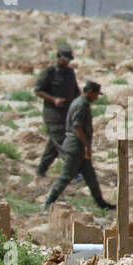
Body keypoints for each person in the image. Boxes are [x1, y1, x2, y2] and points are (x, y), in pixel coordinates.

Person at [42, 80, 115, 212]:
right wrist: (87, 146)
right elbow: (77, 127)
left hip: (78, 147)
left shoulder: (81, 103)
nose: (96, 97)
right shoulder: (80, 104)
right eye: (96, 94)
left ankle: (101, 203)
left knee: (91, 177)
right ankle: (48, 202)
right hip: (75, 147)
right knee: (66, 175)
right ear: (90, 92)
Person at [34, 46, 80, 178]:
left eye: (68, 60)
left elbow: (75, 91)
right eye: (64, 59)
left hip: (67, 114)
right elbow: (38, 90)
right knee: (63, 143)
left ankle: (40, 171)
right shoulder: (49, 72)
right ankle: (74, 172)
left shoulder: (70, 73)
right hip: (52, 115)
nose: (66, 62)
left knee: (53, 146)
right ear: (58, 57)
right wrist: (53, 100)